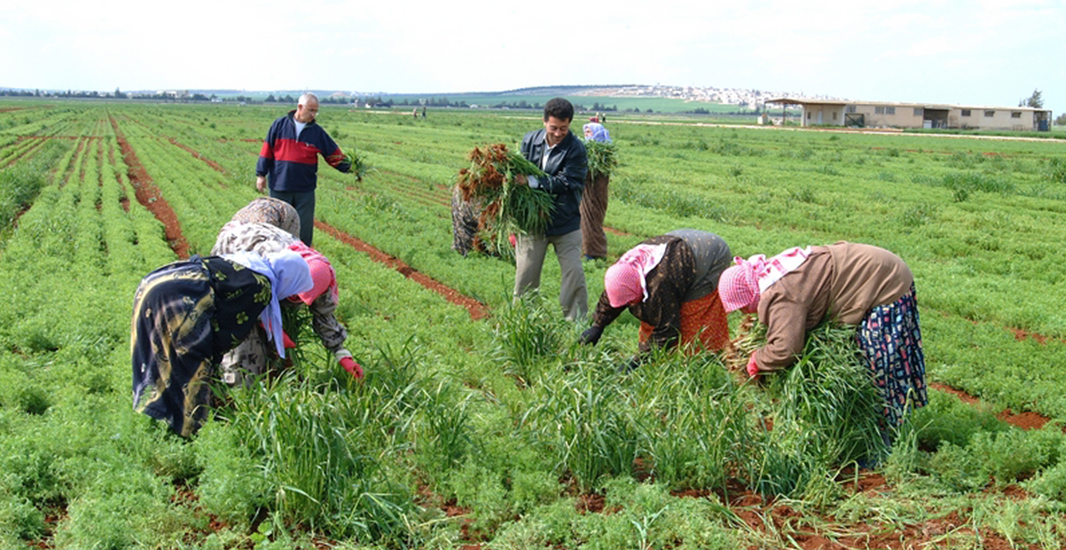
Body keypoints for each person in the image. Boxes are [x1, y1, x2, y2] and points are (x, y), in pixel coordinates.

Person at [717, 242, 928, 429]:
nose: (744, 313)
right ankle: (882, 424)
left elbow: (786, 348)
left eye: (742, 307)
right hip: (877, 268)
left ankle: (887, 432)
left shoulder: (782, 296)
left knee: (875, 364)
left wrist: (758, 360)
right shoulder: (773, 274)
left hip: (886, 282)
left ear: (749, 294)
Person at [131, 250, 312, 437]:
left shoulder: (251, 264)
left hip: (154, 284)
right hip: (181, 297)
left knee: (158, 355)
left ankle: (155, 418)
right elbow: (228, 331)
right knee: (192, 368)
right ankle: (189, 433)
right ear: (290, 280)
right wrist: (213, 372)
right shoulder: (261, 286)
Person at [212, 216, 362, 385]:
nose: (297, 300)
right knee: (244, 337)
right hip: (235, 255)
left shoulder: (319, 277)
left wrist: (342, 355)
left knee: (267, 345)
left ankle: (269, 376)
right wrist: (271, 326)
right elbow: (246, 298)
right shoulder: (270, 261)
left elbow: (324, 317)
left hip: (265, 274)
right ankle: (237, 385)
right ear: (293, 280)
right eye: (297, 295)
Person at [580, 230, 732, 370]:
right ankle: (654, 356)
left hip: (710, 255)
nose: (629, 306)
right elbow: (616, 295)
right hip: (680, 248)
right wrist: (598, 325)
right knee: (654, 310)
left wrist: (639, 360)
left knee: (690, 316)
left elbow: (668, 327)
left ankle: (699, 363)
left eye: (630, 302)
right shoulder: (623, 270)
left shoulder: (660, 283)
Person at [512, 98, 589, 321]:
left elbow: (568, 182)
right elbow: (518, 172)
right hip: (533, 223)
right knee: (526, 274)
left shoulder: (576, 149)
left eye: (563, 128)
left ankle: (576, 323)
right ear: (544, 121)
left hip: (565, 222)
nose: (558, 133)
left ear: (569, 123)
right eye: (553, 127)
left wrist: (532, 181)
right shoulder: (530, 141)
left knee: (574, 273)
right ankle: (523, 320)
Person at [256, 93, 351, 246]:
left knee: (304, 228)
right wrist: (261, 174)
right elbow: (267, 150)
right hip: (280, 185)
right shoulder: (279, 125)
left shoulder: (317, 132)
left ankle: (303, 256)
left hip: (304, 189)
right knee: (278, 227)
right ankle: (278, 256)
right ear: (300, 107)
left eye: (316, 111)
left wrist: (351, 167)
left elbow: (333, 154)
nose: (313, 114)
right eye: (311, 110)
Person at [580, 119, 612, 260]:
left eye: (590, 132)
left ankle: (594, 253)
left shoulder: (601, 154)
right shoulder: (587, 151)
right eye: (586, 132)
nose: (587, 135)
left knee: (592, 221)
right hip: (586, 192)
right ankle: (589, 251)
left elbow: (593, 174)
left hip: (595, 193)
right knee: (585, 221)